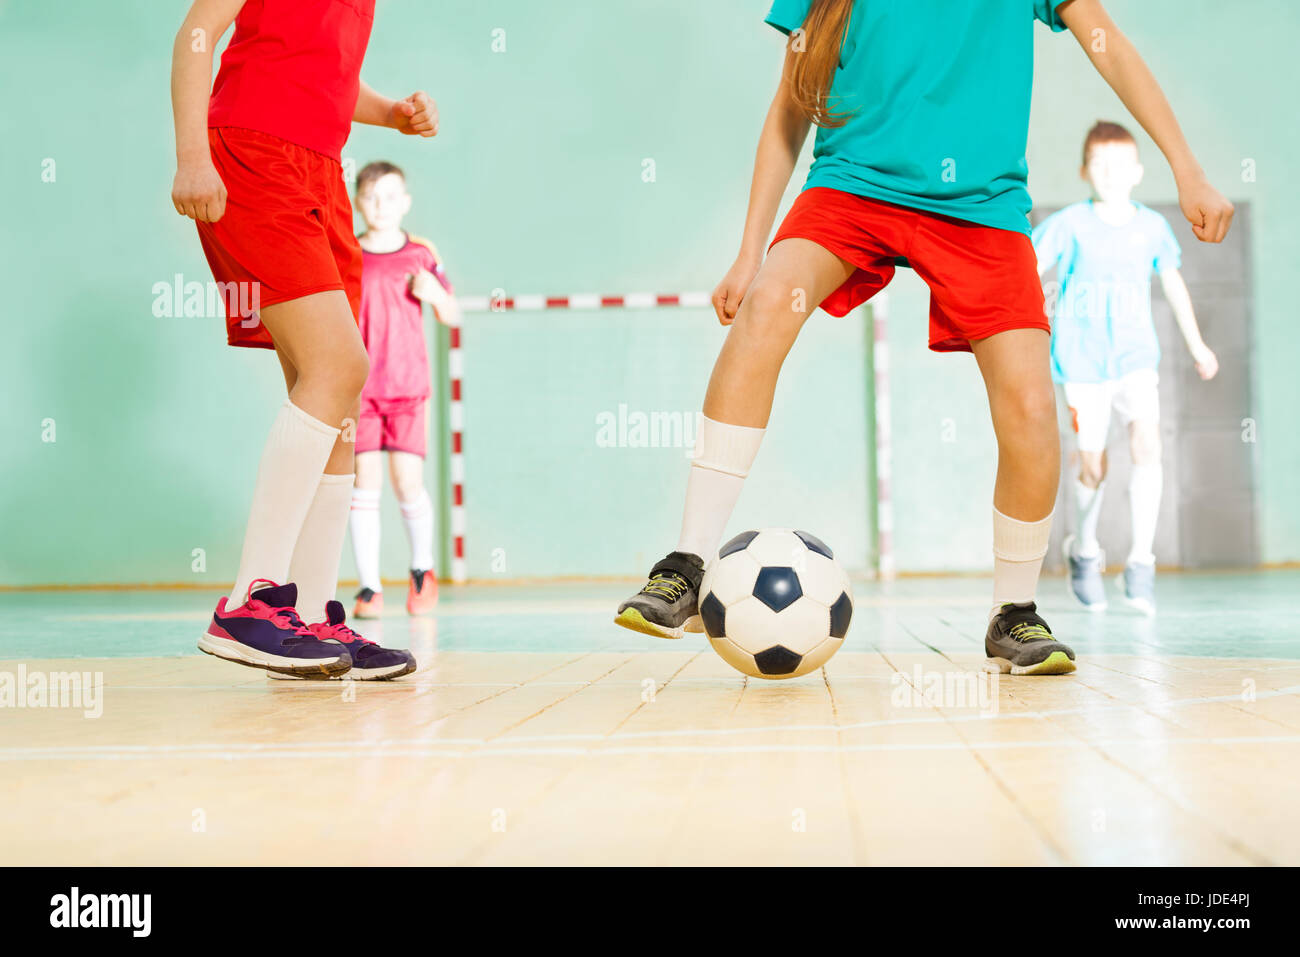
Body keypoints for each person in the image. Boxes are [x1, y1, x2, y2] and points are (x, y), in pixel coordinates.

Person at [614, 0, 1233, 676]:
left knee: (1030, 406)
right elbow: (790, 107)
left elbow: (1105, 41)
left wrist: (1187, 166)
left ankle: (1013, 613)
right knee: (767, 304)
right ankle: (686, 565)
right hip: (853, 185)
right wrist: (749, 251)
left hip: (978, 206)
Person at [170, 0, 438, 679]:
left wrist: (390, 114)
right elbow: (196, 35)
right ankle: (247, 602)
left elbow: (330, 78)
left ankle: (314, 610)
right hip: (251, 154)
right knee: (340, 364)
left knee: (336, 399)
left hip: (323, 172)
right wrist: (192, 156)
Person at [1035, 121, 1218, 615]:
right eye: (1100, 165)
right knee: (1093, 464)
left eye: (1121, 166)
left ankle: (1141, 562)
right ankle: (1086, 550)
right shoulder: (1069, 224)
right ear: (1084, 170)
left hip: (1137, 359)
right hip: (1081, 363)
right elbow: (1027, 269)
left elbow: (1174, 285)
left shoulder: (1152, 227)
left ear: (1138, 172)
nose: (1111, 174)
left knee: (1147, 445)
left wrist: (1197, 344)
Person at [348, 161, 460, 619]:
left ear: (405, 202)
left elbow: (451, 315)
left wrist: (434, 293)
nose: (381, 205)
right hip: (360, 391)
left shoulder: (421, 254)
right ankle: (369, 588)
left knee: (406, 481)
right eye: (372, 196)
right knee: (364, 484)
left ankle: (421, 571)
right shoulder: (347, 252)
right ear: (358, 201)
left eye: (391, 196)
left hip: (409, 389)